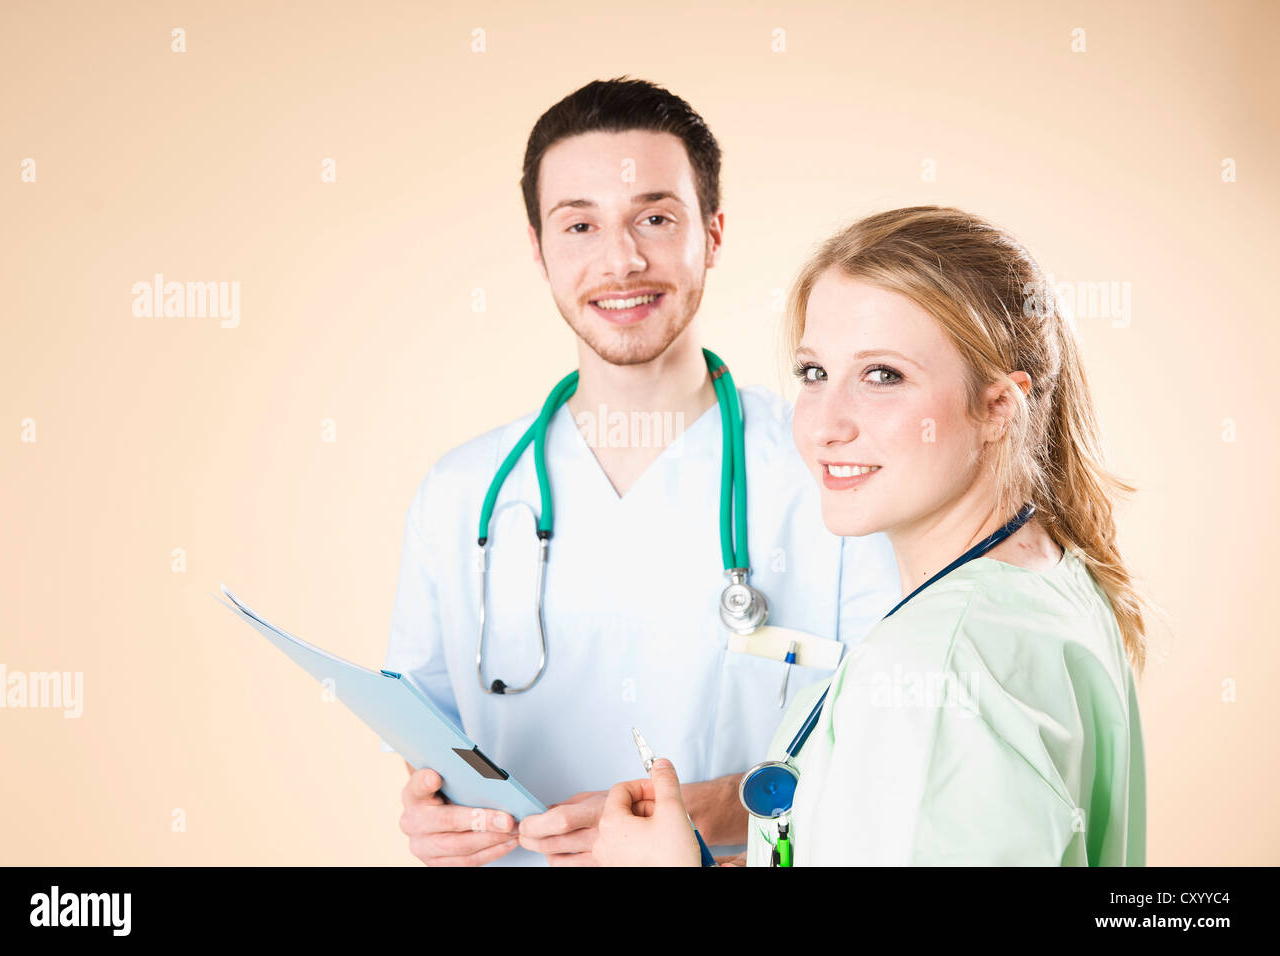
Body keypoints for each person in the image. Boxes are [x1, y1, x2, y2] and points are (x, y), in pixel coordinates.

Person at [383, 77, 901, 866]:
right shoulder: (459, 495)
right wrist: (433, 810)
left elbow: (888, 740)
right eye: (580, 224)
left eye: (655, 218)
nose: (620, 261)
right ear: (538, 248)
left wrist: (700, 814)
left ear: (714, 234)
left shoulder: (830, 467)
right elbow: (429, 731)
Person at [593, 205, 1148, 866]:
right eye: (814, 374)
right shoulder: (1054, 574)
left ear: (999, 407)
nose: (826, 425)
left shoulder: (934, 666)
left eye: (883, 376)